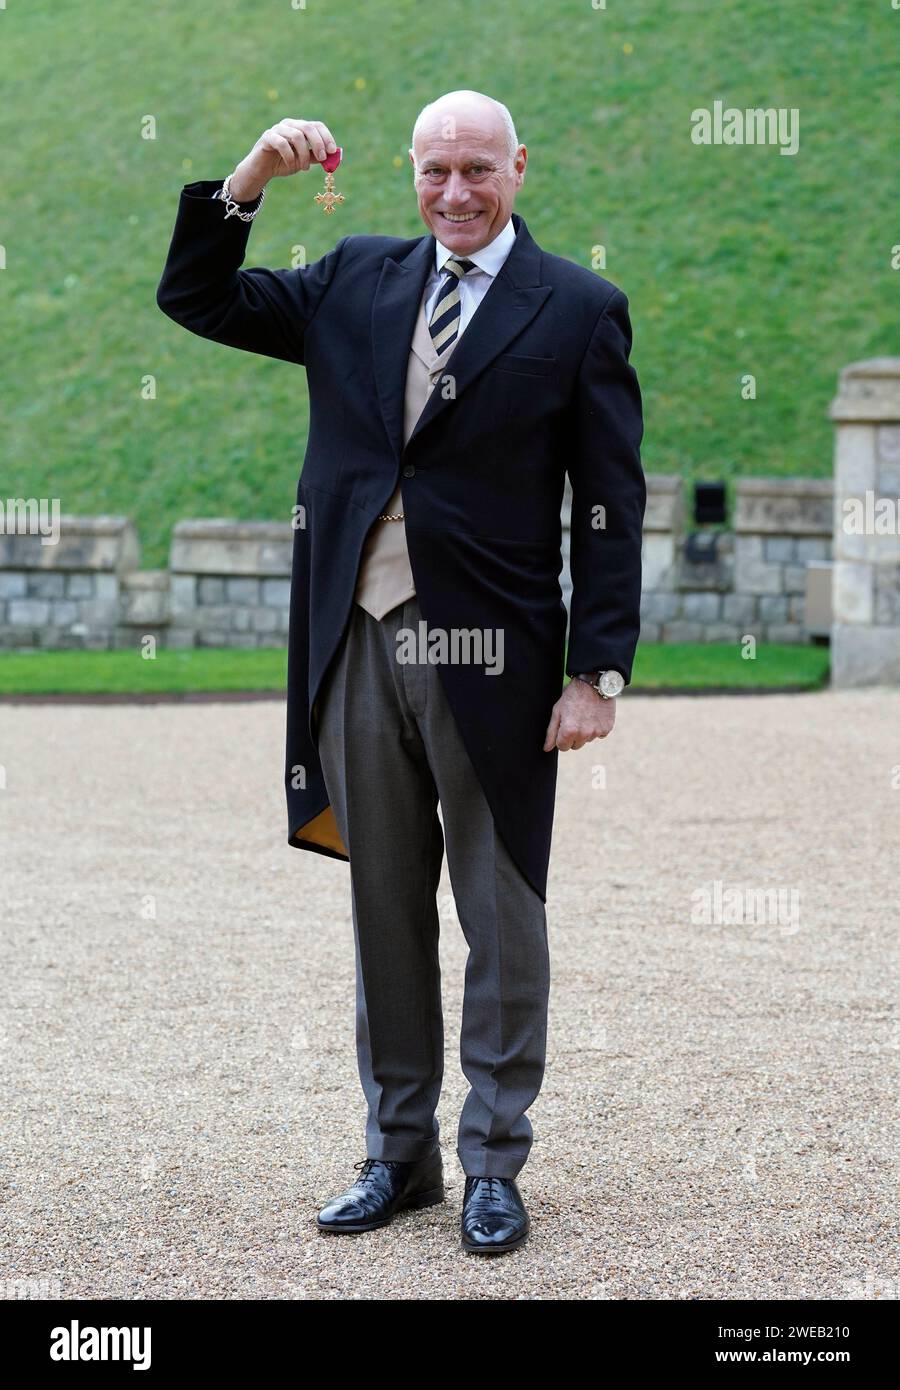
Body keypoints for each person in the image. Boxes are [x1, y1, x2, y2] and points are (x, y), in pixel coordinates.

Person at [156, 89, 646, 1255]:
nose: (457, 192)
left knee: (501, 910)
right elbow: (199, 296)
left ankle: (492, 1161)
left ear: (518, 167)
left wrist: (601, 672)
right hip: (358, 644)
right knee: (383, 912)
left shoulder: (578, 308)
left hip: (499, 660)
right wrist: (247, 183)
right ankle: (399, 1156)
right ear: (411, 172)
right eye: (436, 170)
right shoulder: (353, 280)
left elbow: (609, 503)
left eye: (479, 168)